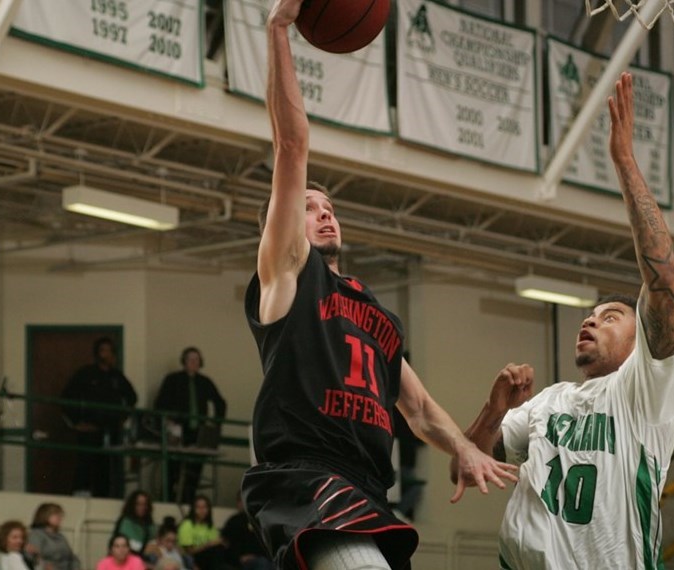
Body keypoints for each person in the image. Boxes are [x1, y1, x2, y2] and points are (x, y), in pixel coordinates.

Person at [242, 0, 517, 566]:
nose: (324, 212)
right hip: (308, 479)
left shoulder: (376, 316)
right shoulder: (289, 276)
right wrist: (278, 30)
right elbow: (291, 146)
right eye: (308, 206)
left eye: (330, 206)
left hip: (366, 487)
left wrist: (464, 446)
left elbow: (418, 409)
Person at [454, 72, 674, 570]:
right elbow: (465, 467)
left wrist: (624, 162)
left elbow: (664, 281)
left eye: (610, 317)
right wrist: (493, 409)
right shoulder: (548, 402)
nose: (590, 322)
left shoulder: (645, 390)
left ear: (642, 340)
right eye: (588, 317)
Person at [61, 337, 137, 498]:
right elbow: (67, 397)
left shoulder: (117, 376)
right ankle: (80, 498)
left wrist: (123, 418)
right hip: (89, 429)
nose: (106, 354)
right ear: (97, 353)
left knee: (107, 469)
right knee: (84, 466)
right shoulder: (85, 373)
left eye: (109, 351)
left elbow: (132, 397)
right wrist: (76, 423)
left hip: (111, 431)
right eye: (103, 350)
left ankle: (105, 498)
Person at [154, 347, 226, 502]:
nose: (193, 362)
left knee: (194, 471)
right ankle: (169, 501)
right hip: (177, 431)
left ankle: (189, 502)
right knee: (173, 469)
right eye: (190, 359)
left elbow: (220, 403)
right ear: (184, 361)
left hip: (198, 432)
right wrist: (168, 420)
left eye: (196, 359)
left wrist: (215, 424)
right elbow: (160, 403)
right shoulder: (172, 379)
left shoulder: (205, 382)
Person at [221, 493, 272, 570]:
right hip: (239, 560)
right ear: (238, 503)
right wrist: (239, 558)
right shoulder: (233, 521)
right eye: (241, 501)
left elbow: (266, 544)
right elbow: (226, 544)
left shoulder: (259, 521)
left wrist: (255, 555)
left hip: (259, 558)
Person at [26, 503, 80, 570]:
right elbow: (32, 557)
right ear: (44, 515)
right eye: (56, 514)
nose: (60, 517)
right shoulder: (36, 535)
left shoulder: (61, 537)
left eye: (60, 515)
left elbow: (71, 557)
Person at [176, 495, 223, 570]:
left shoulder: (210, 526)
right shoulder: (187, 525)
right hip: (192, 558)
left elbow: (216, 544)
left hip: (210, 557)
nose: (202, 510)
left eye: (204, 507)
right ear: (193, 509)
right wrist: (207, 545)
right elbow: (189, 552)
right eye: (198, 507)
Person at [111, 490, 157, 561]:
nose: (142, 507)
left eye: (144, 504)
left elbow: (154, 542)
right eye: (138, 504)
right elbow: (131, 546)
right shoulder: (126, 521)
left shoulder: (149, 523)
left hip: (145, 559)